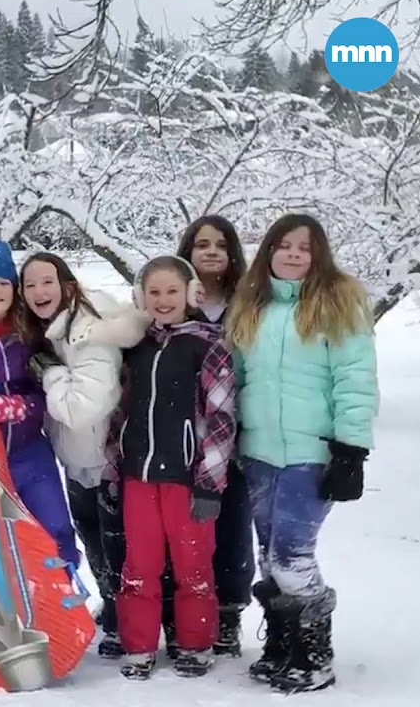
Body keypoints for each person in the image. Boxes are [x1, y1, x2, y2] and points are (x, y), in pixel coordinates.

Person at [226, 213, 377, 694]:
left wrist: (351, 449)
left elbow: (354, 378)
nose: (293, 254)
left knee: (292, 558)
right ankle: (283, 647)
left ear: (319, 256)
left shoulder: (339, 305)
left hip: (312, 454)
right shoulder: (252, 307)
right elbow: (237, 380)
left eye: (304, 248)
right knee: (270, 559)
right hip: (259, 454)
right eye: (284, 245)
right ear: (268, 250)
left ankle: (314, 654)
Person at [104, 255, 236, 680]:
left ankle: (195, 643)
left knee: (192, 565)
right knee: (138, 566)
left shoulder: (207, 344)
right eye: (154, 292)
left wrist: (210, 484)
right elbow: (119, 408)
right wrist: (112, 466)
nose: (163, 300)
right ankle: (138, 645)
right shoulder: (135, 346)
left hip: (188, 478)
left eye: (172, 291)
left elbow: (221, 416)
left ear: (189, 293)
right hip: (138, 477)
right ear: (141, 296)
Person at [14, 252, 149, 659]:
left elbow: (78, 407)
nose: (39, 291)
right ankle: (114, 614)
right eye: (30, 284)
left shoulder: (88, 334)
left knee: (115, 545)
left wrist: (50, 372)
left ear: (68, 286)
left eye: (47, 282)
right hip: (78, 457)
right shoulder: (54, 329)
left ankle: (127, 624)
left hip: (106, 458)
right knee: (96, 542)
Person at [0, 239, 79, 566]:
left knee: (55, 530)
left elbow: (51, 388)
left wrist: (21, 406)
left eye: (3, 282)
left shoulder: (28, 333)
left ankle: (63, 603)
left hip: (30, 453)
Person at [174, 215, 254, 657]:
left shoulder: (248, 304)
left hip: (234, 432)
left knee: (232, 526)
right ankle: (180, 609)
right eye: (201, 243)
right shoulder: (170, 299)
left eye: (220, 245)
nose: (210, 252)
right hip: (179, 434)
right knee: (184, 526)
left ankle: (229, 612)